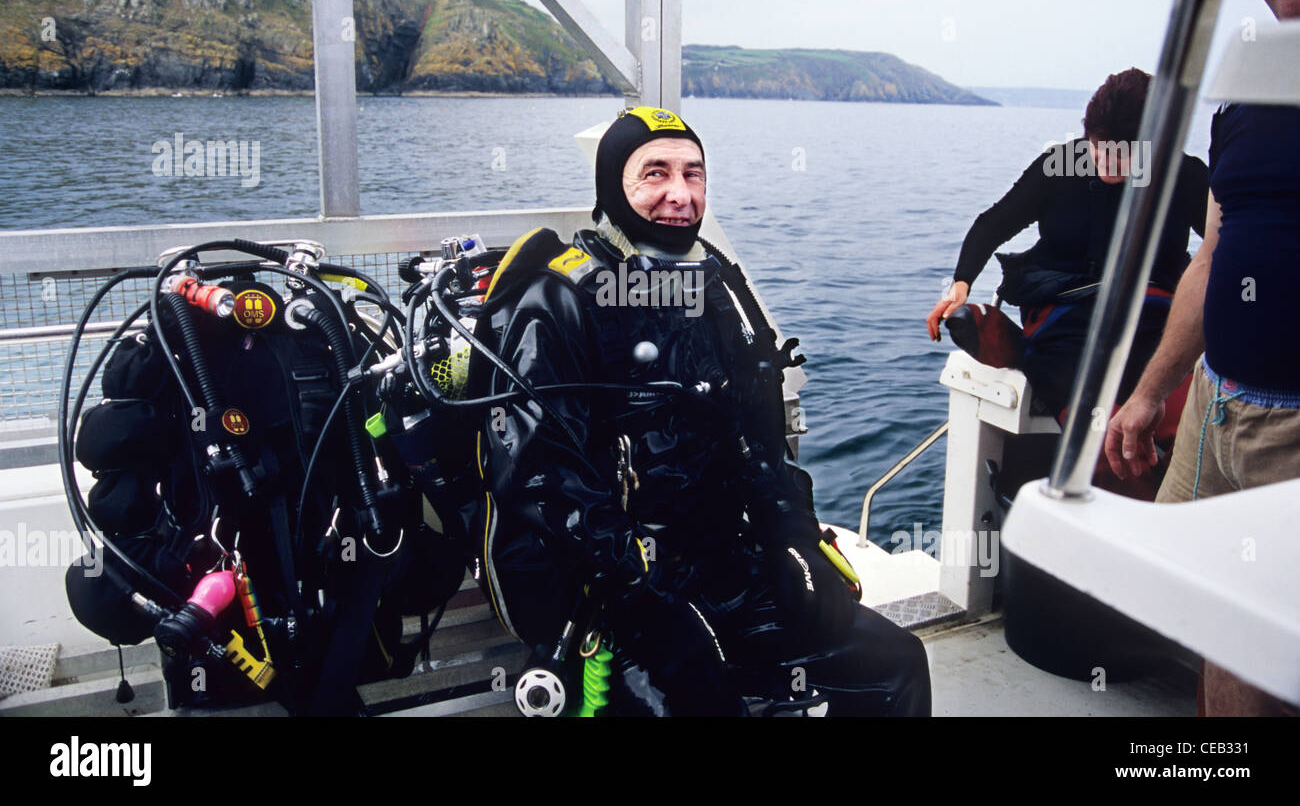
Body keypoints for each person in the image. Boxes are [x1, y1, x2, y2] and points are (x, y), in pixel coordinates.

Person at [471, 106, 931, 716]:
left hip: (721, 555)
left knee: (897, 663)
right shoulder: (560, 300)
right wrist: (637, 574)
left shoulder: (713, 287)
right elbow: (539, 478)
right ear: (613, 187)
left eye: (693, 174)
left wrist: (796, 540)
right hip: (603, 582)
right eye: (654, 174)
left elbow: (760, 439)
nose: (679, 195)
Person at [1105, 0, 1300, 717]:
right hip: (1215, 407)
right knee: (1218, 622)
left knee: (1272, 631)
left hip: (1290, 432)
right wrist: (1151, 393)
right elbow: (1213, 254)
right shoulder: (1251, 82)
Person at [926, 69, 1209, 423]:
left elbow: (1228, 243)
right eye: (1097, 149)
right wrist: (960, 285)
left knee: (1185, 387)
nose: (1105, 163)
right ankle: (1031, 359)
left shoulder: (1185, 175)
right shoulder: (1060, 165)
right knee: (1083, 400)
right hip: (1064, 314)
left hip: (1150, 317)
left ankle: (1018, 350)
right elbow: (992, 224)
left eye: (1121, 156)